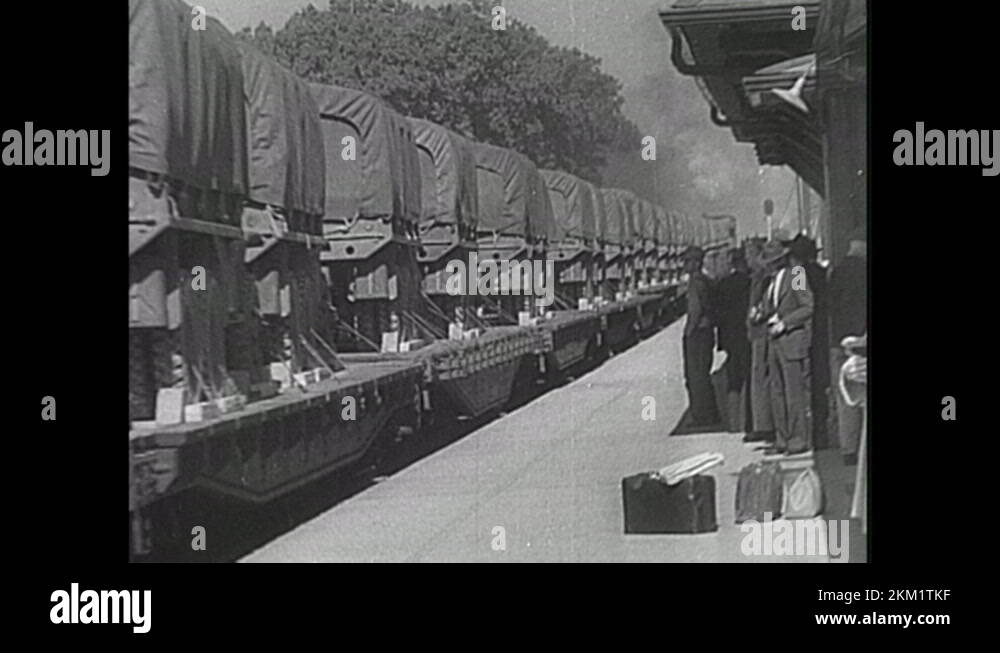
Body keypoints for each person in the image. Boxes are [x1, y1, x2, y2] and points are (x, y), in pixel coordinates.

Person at [760, 238, 814, 454]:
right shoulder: (771, 282)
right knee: (777, 393)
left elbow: (808, 306)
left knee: (794, 394)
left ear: (779, 260)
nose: (768, 265)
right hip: (775, 343)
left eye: (770, 261)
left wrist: (785, 323)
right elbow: (769, 307)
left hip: (791, 341)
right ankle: (782, 439)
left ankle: (798, 440)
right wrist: (760, 313)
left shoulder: (797, 274)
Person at [828, 228, 867, 464]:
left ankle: (848, 448)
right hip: (854, 339)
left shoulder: (798, 271)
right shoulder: (798, 272)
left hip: (833, 339)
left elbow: (810, 303)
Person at [789, 234, 830, 449]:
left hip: (804, 335)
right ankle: (821, 433)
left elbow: (801, 304)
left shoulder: (797, 273)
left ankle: (809, 436)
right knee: (820, 384)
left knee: (804, 386)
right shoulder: (822, 273)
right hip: (823, 334)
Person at [682, 246, 721, 426]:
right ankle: (710, 414)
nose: (684, 264)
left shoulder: (696, 282)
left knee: (696, 376)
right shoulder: (705, 280)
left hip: (698, 334)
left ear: (696, 263)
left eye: (687, 261)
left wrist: (688, 333)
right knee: (702, 375)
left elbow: (695, 310)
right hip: (706, 332)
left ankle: (702, 416)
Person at [714, 247, 751, 433]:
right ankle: (747, 422)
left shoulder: (723, 284)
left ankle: (734, 423)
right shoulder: (749, 282)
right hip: (746, 335)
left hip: (730, 337)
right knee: (748, 378)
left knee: (733, 379)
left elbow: (717, 313)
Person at [746, 239, 775, 443]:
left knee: (769, 382)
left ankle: (769, 428)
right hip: (761, 333)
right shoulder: (760, 276)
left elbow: (802, 303)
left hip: (770, 333)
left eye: (750, 255)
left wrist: (761, 313)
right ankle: (765, 426)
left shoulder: (794, 273)